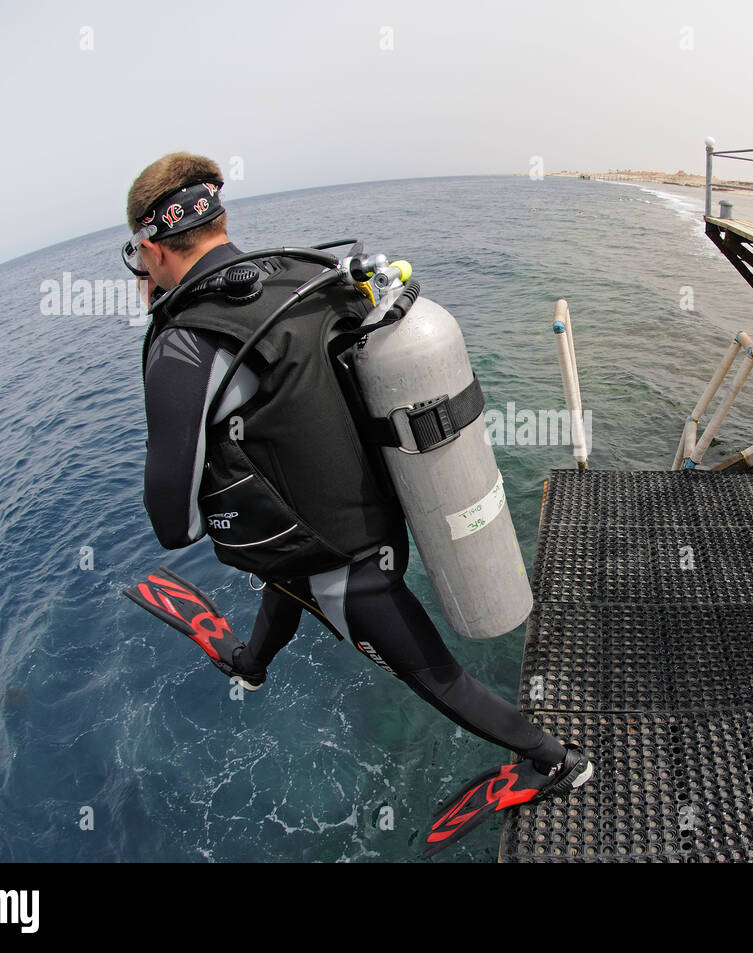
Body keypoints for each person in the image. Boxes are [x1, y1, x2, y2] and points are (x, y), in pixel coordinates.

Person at [122, 152, 591, 853]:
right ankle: (252, 662)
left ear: (151, 247)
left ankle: (557, 761)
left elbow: (174, 524)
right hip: (385, 508)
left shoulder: (186, 343)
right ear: (219, 218)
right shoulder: (306, 277)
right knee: (283, 577)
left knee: (435, 676)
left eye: (137, 257)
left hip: (342, 562)